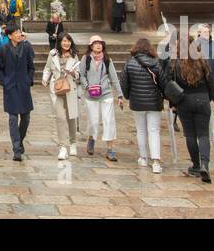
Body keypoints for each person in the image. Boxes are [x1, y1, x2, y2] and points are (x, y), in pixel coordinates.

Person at [167, 38, 214, 182]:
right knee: (204, 135)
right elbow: (211, 82)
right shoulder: (203, 61)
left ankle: (196, 165)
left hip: (184, 101)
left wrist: (173, 103)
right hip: (202, 99)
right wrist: (209, 97)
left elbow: (171, 84)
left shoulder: (175, 63)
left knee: (190, 135)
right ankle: (205, 164)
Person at [121, 37, 165, 173]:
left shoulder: (129, 63)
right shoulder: (156, 64)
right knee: (154, 130)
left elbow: (124, 83)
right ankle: (156, 161)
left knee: (141, 130)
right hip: (154, 102)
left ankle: (143, 157)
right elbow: (163, 83)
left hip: (137, 102)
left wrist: (129, 96)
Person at [78, 34, 124, 162]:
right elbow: (81, 75)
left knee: (109, 120)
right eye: (95, 43)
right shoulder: (85, 58)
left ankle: (110, 149)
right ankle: (92, 138)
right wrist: (87, 86)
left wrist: (119, 94)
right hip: (90, 95)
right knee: (93, 121)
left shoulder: (107, 59)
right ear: (91, 46)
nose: (98, 45)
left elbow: (114, 78)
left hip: (106, 94)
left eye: (100, 43)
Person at [0, 21, 35, 162]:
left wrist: (29, 80)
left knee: (26, 118)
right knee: (13, 118)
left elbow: (31, 66)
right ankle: (16, 149)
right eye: (16, 32)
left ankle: (19, 140)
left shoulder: (26, 48)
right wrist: (4, 81)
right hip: (10, 87)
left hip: (24, 87)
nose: (19, 34)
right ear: (10, 36)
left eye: (19, 32)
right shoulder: (4, 49)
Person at [42, 32, 81, 160]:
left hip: (70, 88)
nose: (66, 43)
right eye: (64, 41)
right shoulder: (53, 54)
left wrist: (74, 73)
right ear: (59, 42)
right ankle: (63, 147)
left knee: (71, 117)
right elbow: (48, 68)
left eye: (68, 41)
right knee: (60, 118)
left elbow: (79, 74)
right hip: (57, 89)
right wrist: (45, 78)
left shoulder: (74, 55)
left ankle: (73, 142)